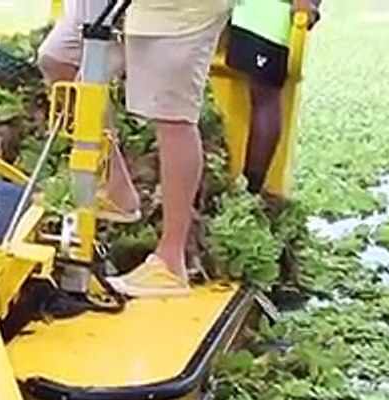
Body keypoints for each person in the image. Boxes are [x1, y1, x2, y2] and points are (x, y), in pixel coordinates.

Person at [39, 0, 233, 298]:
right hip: (109, 6)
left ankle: (171, 261)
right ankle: (117, 188)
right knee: (60, 58)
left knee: (172, 114)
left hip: (177, 11)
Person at [239, 0, 320, 196]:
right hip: (245, 15)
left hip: (268, 20)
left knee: (265, 96)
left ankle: (252, 189)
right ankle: (247, 188)